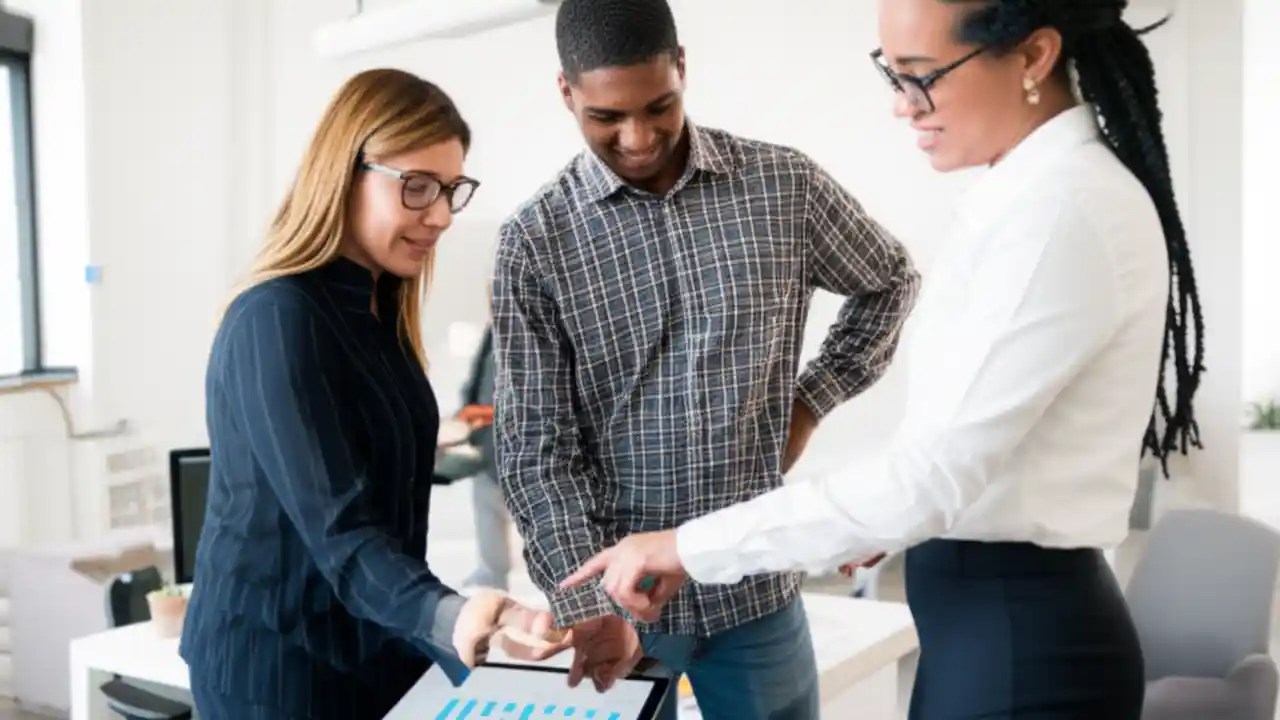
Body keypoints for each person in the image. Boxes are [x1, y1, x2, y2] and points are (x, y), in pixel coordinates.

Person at [566, 1, 1208, 718]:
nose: (903, 107)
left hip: (1018, 649)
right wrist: (881, 519)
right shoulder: (1029, 197)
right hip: (988, 629)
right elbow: (949, 454)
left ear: (1032, 57)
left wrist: (685, 546)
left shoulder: (1058, 213)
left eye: (922, 76)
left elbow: (928, 480)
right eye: (891, 75)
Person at [492, 0, 920, 717]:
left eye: (659, 105)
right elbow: (537, 452)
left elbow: (889, 282)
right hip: (620, 610)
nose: (637, 136)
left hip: (756, 593)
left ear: (682, 67)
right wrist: (592, 601)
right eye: (606, 118)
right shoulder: (536, 242)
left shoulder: (783, 186)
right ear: (566, 93)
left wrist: (809, 404)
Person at [180, 68, 569, 720]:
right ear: (345, 171)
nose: (441, 215)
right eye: (416, 187)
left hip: (368, 645)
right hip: (277, 670)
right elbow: (342, 530)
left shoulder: (379, 315)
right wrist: (455, 613)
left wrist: (477, 620)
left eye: (451, 190)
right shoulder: (277, 318)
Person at [456, 323, 516, 591]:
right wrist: (466, 419)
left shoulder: (536, 320)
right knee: (486, 502)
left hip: (524, 443)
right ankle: (493, 573)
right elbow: (475, 378)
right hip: (489, 439)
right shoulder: (493, 331)